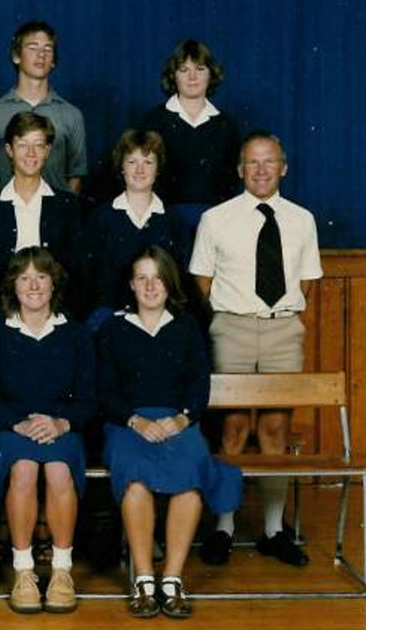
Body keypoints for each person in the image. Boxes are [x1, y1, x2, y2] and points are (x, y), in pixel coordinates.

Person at [189, 131, 323, 567]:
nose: (261, 170)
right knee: (231, 428)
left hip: (283, 329)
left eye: (269, 162)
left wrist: (278, 316)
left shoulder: (303, 219)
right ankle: (224, 527)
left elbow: (305, 281)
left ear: (283, 167)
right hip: (233, 328)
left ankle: (272, 529)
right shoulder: (216, 219)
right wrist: (233, 317)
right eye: (252, 163)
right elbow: (203, 280)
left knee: (275, 430)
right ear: (240, 169)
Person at [96, 246, 242, 619]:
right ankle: (144, 581)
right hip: (128, 424)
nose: (150, 286)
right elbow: (106, 388)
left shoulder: (186, 326)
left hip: (178, 422)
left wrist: (180, 419)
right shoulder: (113, 328)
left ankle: (172, 581)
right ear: (131, 284)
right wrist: (136, 421)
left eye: (157, 277)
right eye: (141, 278)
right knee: (136, 482)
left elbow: (198, 385)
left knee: (190, 478)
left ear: (168, 283)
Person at [0, 247, 96, 614]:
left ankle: (62, 571)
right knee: (25, 470)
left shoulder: (75, 334)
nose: (33, 285)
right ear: (12, 284)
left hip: (61, 427)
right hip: (11, 428)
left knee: (59, 471)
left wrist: (61, 422)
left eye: (41, 277)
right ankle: (24, 571)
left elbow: (90, 399)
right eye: (25, 277)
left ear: (53, 283)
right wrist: (19, 423)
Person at [0, 112, 83, 320]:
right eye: (22, 145)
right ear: (9, 150)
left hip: (55, 314)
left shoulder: (68, 206)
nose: (31, 153)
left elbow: (75, 270)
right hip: (1, 315)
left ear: (47, 151)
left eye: (38, 145)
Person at [78, 129, 190, 329]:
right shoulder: (100, 218)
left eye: (148, 162)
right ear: (121, 167)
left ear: (158, 169)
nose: (140, 170)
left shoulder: (174, 221)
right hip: (109, 320)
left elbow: (180, 281)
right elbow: (86, 280)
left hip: (160, 319)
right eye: (132, 162)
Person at [0, 21, 87, 197]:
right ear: (16, 56)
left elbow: (76, 176)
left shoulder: (71, 115)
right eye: (32, 47)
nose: (41, 54)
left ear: (54, 61)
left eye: (48, 49)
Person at [141, 39, 240, 236]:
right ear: (173, 76)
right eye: (184, 70)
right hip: (165, 221)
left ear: (211, 74)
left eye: (200, 69)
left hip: (215, 222)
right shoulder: (153, 122)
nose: (192, 77)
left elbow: (233, 181)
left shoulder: (226, 126)